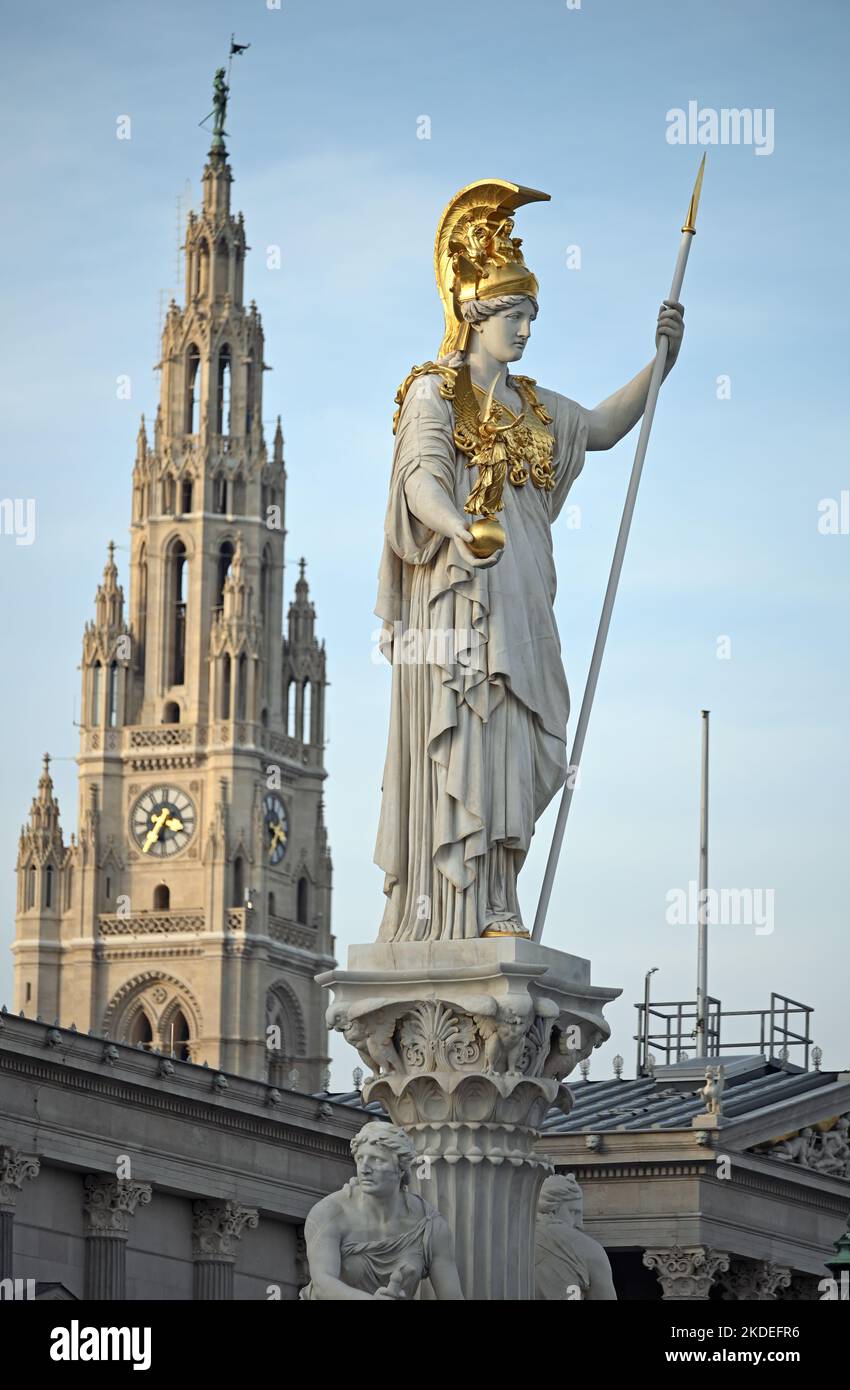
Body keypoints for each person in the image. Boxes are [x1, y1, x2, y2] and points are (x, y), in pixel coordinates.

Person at [375, 180, 684, 941]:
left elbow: (607, 427)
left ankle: (501, 883)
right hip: (459, 593)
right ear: (475, 317)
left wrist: (662, 362)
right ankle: (462, 906)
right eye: (514, 316)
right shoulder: (434, 396)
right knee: (472, 731)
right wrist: (461, 529)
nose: (525, 331)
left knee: (526, 737)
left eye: (530, 318)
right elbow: (420, 482)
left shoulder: (537, 408)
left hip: (524, 594)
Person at [300, 1121, 463, 1300]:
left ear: (401, 1169)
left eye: (377, 1160)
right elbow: (323, 1284)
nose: (365, 1169)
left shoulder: (430, 1227)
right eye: (360, 1158)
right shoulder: (330, 1213)